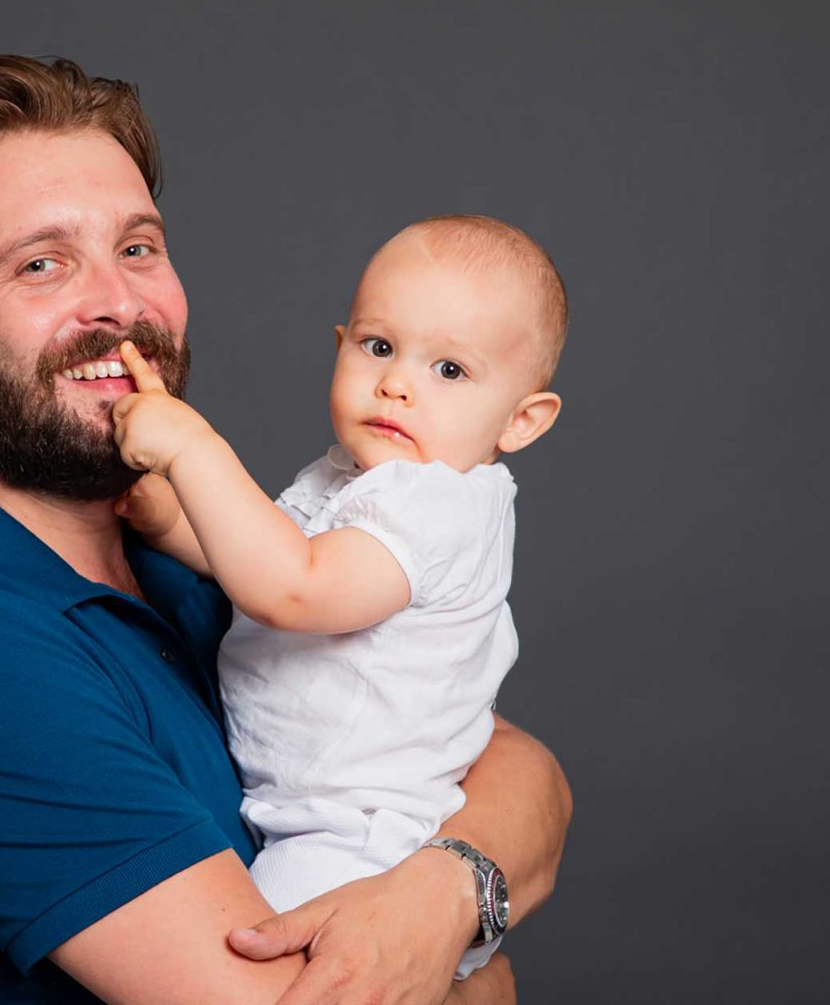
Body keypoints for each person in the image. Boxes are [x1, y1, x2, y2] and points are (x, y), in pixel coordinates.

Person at [0, 54, 571, 1005]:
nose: (118, 304)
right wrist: (479, 969)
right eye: (41, 264)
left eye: (136, 248)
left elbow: (520, 770)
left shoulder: (191, 544)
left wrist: (438, 894)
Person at [108, 215, 566, 978]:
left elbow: (294, 588)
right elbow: (257, 559)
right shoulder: (350, 481)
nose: (396, 383)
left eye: (449, 370)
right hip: (308, 817)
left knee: (272, 977)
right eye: (378, 347)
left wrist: (191, 449)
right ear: (341, 344)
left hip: (359, 841)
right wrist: (170, 518)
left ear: (522, 420)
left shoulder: (436, 506)